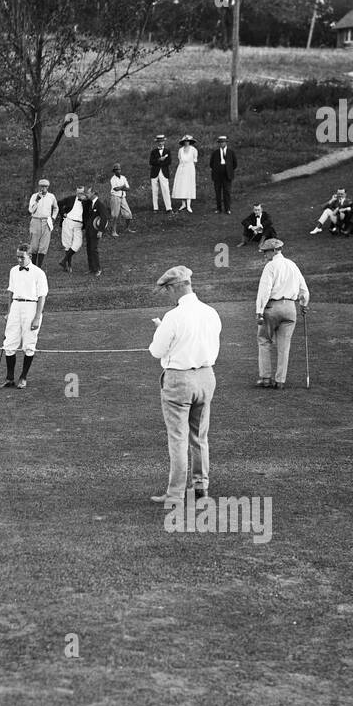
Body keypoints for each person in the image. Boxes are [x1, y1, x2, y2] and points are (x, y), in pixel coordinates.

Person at [147, 265, 221, 505]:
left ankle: (176, 493)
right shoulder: (210, 312)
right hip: (206, 376)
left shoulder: (174, 316)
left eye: (167, 290)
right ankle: (201, 487)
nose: (167, 295)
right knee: (200, 436)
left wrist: (163, 333)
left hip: (179, 379)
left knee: (178, 438)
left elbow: (156, 351)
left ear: (173, 287)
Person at [254, 238, 310, 389]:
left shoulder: (270, 266)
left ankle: (266, 378)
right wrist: (304, 304)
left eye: (265, 251)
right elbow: (303, 288)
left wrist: (259, 311)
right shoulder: (292, 265)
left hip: (272, 308)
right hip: (290, 309)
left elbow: (264, 290)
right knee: (284, 346)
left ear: (273, 251)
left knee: (264, 340)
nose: (264, 254)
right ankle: (280, 381)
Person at [0, 244, 48, 389]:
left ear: (30, 256)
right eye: (18, 257)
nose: (19, 260)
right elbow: (11, 292)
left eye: (22, 257)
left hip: (31, 308)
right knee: (9, 342)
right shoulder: (13, 271)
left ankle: (23, 377)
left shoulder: (39, 273)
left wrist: (37, 317)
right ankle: (9, 378)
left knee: (29, 344)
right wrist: (9, 311)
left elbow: (42, 297)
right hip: (16, 306)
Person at [27, 178, 58, 268]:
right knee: (34, 244)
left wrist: (53, 218)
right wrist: (37, 200)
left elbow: (56, 208)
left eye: (45, 186)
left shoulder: (51, 196)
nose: (43, 188)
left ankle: (39, 267)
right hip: (36, 220)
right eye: (42, 186)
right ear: (39, 187)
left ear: (48, 187)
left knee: (43, 245)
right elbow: (31, 210)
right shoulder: (34, 196)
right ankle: (32, 266)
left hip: (46, 221)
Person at [57, 185, 86, 273]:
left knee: (78, 243)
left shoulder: (86, 201)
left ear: (83, 192)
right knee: (67, 244)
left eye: (81, 193)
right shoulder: (70, 198)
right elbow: (59, 203)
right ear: (76, 192)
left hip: (79, 224)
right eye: (78, 193)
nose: (80, 194)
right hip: (68, 221)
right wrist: (63, 213)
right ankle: (68, 266)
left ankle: (63, 260)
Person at [209, 134, 237, 214]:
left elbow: (235, 164)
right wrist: (217, 169)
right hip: (217, 175)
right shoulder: (215, 153)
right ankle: (218, 209)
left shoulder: (231, 152)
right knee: (218, 192)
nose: (222, 144)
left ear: (226, 143)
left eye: (223, 142)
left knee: (227, 192)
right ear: (219, 143)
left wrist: (229, 170)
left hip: (227, 175)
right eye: (220, 142)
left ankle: (227, 209)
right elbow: (211, 164)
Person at [172, 135, 198, 212]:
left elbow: (195, 161)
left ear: (190, 142)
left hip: (190, 169)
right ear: (183, 142)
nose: (186, 142)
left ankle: (189, 205)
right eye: (185, 141)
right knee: (182, 186)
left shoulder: (193, 150)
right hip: (181, 169)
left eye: (188, 141)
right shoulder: (180, 150)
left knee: (189, 185)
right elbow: (180, 159)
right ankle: (183, 204)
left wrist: (191, 169)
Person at [83, 183, 104, 276]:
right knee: (88, 249)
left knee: (93, 249)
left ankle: (98, 268)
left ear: (94, 193)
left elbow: (104, 217)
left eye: (88, 193)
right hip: (89, 230)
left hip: (95, 231)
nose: (87, 194)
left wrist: (100, 230)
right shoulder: (90, 203)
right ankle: (91, 268)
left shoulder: (99, 204)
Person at [149, 135, 173, 213]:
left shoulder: (167, 151)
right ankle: (155, 208)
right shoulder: (153, 151)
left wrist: (161, 162)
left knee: (166, 189)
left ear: (164, 142)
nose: (160, 143)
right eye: (159, 142)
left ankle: (168, 208)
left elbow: (169, 162)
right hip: (154, 172)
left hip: (164, 172)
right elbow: (151, 162)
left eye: (162, 141)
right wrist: (159, 160)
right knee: (155, 190)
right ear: (157, 143)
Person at [107, 163, 133, 235]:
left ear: (120, 170)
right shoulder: (113, 179)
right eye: (116, 170)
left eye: (119, 169)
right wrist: (122, 187)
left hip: (122, 197)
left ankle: (127, 228)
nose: (118, 171)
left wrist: (121, 187)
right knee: (115, 215)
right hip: (115, 197)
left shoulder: (123, 178)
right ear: (114, 171)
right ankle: (113, 231)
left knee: (129, 214)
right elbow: (116, 189)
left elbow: (128, 188)